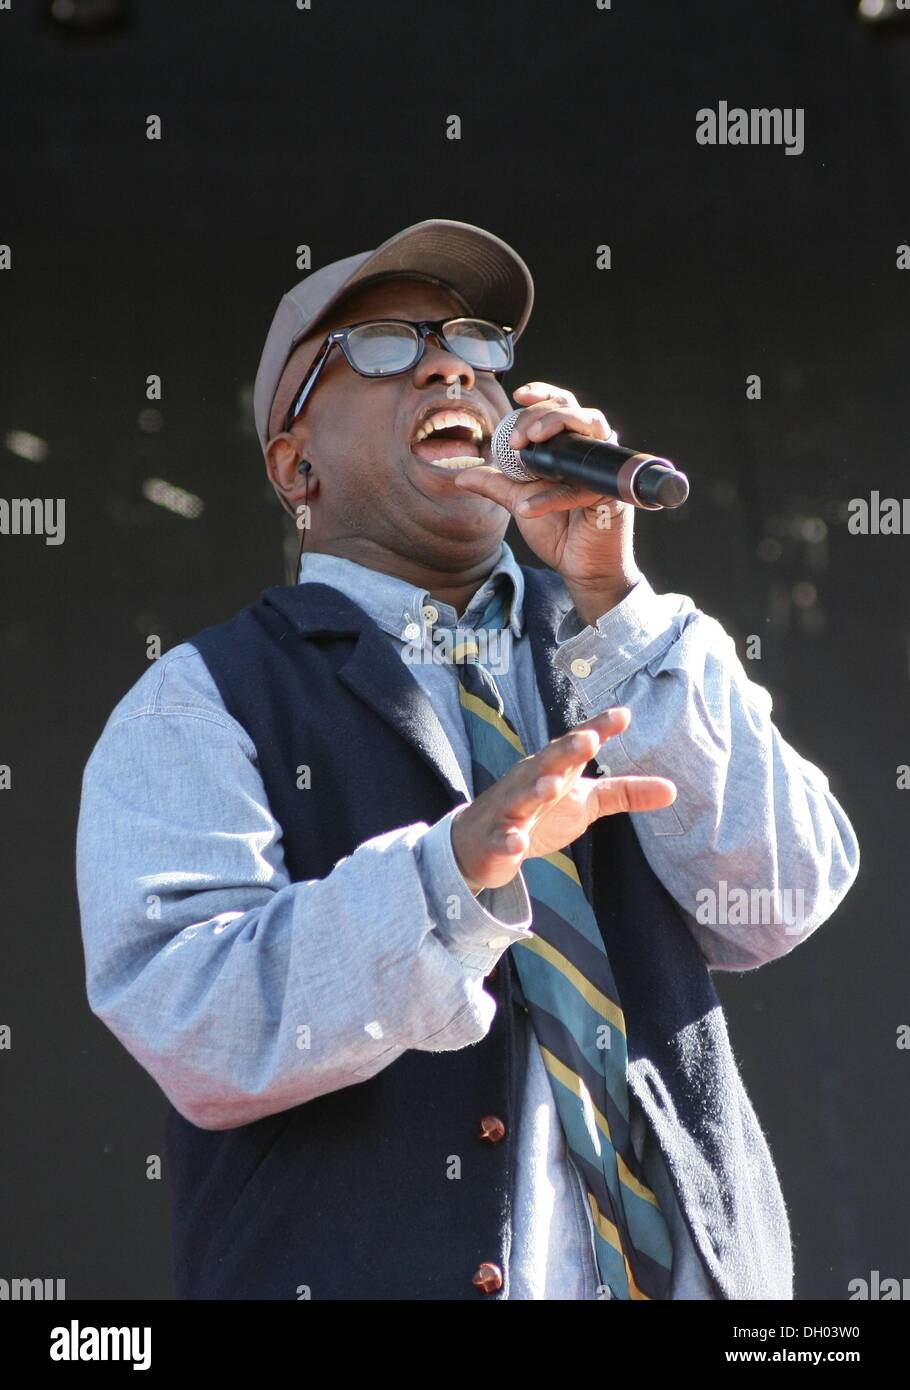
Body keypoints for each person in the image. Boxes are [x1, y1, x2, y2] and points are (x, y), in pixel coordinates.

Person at [75, 218, 860, 1301]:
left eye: (475, 342)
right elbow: (195, 1015)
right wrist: (447, 876)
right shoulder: (201, 701)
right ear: (295, 464)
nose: (451, 363)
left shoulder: (629, 639)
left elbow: (784, 893)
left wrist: (613, 599)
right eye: (384, 347)